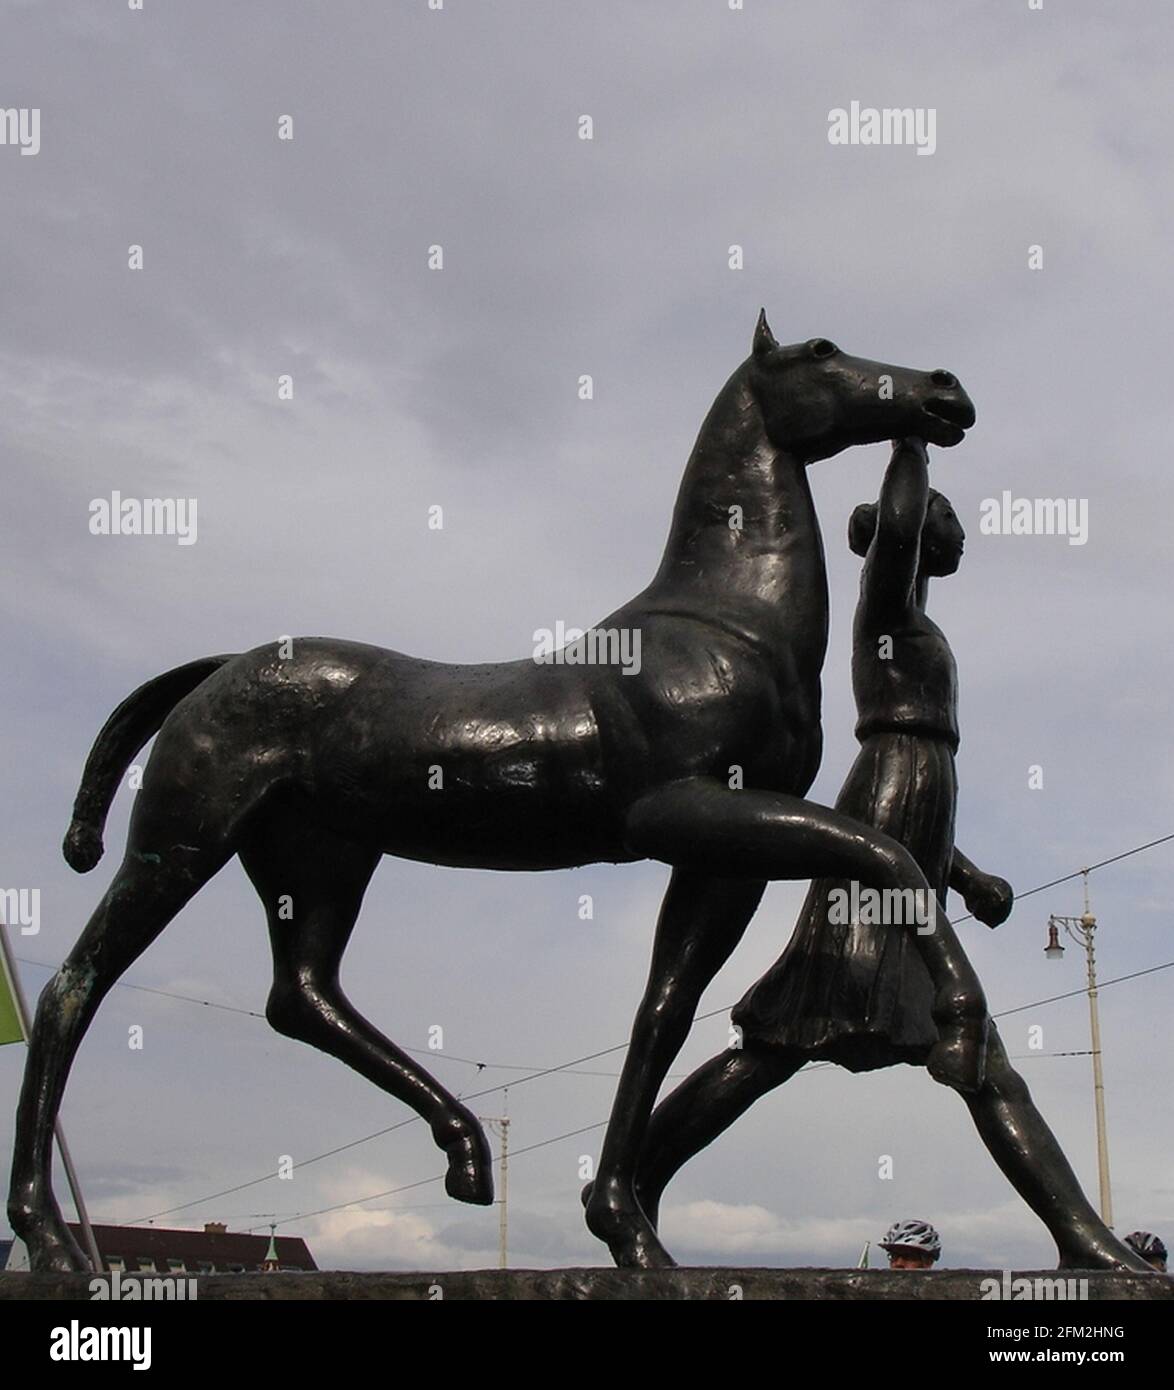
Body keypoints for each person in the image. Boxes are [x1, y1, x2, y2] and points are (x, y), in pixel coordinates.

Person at [628, 438, 1153, 1273]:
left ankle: (630, 1182)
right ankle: (629, 1183)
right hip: (887, 799)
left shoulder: (921, 627)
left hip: (910, 805)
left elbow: (910, 823)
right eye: (945, 517)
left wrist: (965, 874)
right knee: (790, 1045)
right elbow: (901, 523)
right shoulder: (889, 613)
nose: (956, 529)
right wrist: (912, 433)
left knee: (825, 1051)